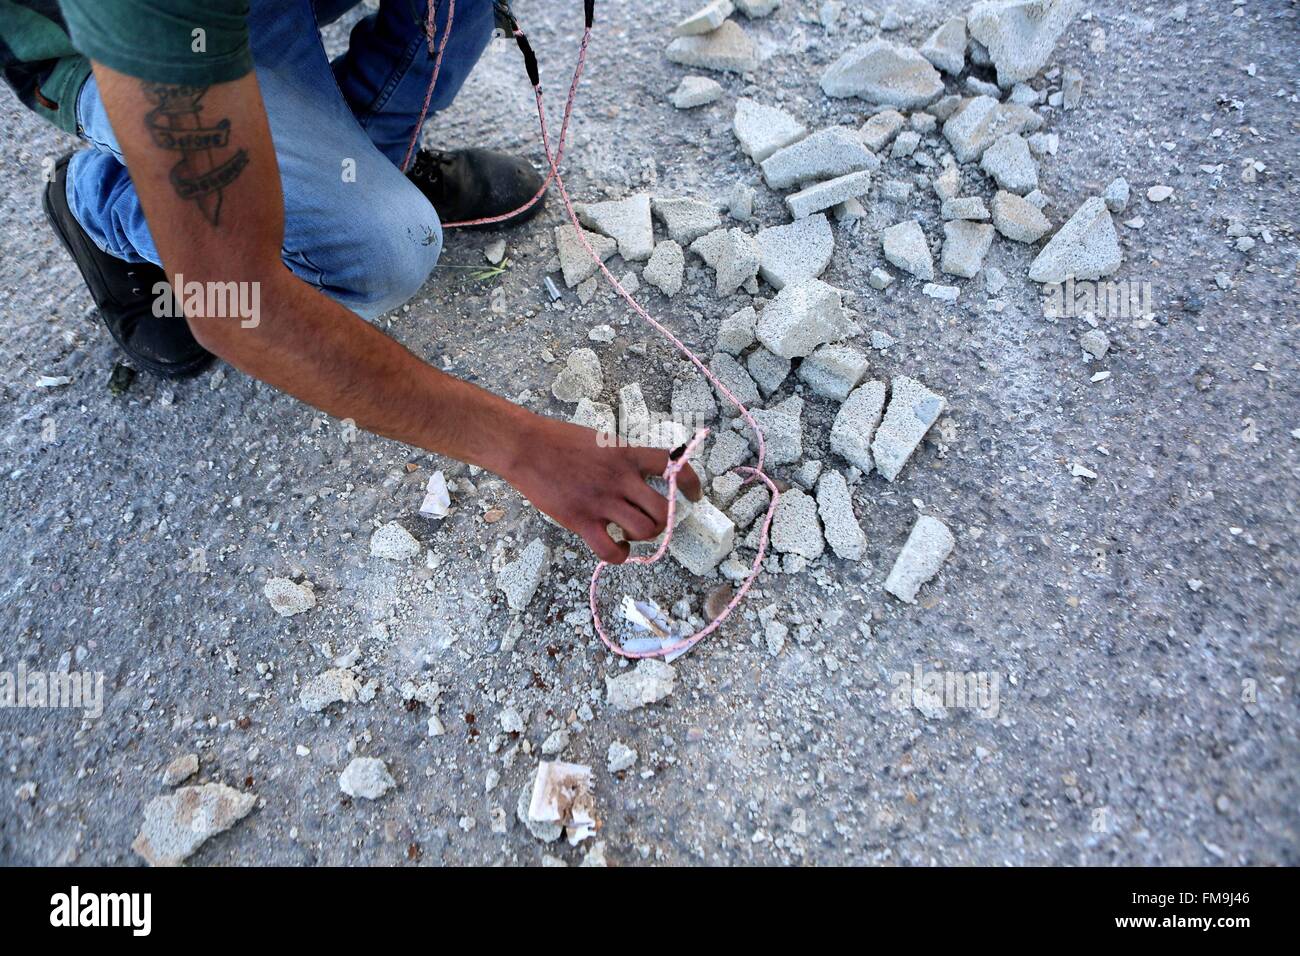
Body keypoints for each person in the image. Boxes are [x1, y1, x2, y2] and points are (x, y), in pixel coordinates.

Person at [0, 0, 699, 563]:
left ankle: (351, 165)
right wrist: (524, 447)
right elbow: (241, 304)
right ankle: (102, 201)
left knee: (456, 19)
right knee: (386, 250)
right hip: (140, 43)